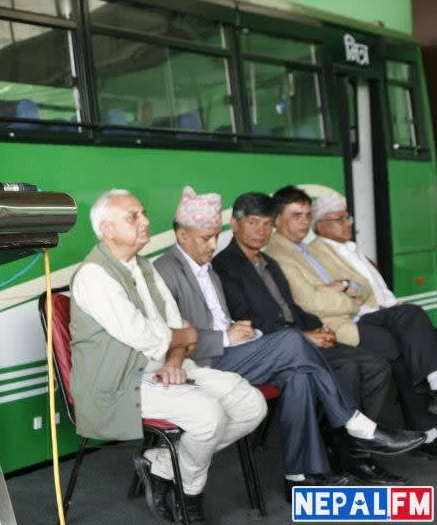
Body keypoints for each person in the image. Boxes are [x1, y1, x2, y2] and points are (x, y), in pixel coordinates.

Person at [155, 187, 421, 497]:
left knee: (299, 375)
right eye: (206, 238)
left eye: (215, 236)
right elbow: (170, 339)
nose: (214, 244)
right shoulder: (167, 270)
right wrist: (228, 335)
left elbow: (232, 320)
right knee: (295, 342)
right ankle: (355, 424)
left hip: (238, 349)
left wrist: (241, 331)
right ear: (181, 235)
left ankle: (299, 475)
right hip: (203, 361)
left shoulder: (207, 268)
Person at [70, 189, 267, 524]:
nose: (145, 221)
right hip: (119, 385)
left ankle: (161, 465)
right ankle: (190, 494)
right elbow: (147, 335)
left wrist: (175, 361)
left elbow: (176, 329)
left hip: (165, 369)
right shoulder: (94, 275)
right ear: (106, 229)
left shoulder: (145, 267)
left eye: (143, 212)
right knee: (208, 415)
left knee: (251, 404)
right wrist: (183, 338)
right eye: (133, 216)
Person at [307, 189, 437, 456]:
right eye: (340, 219)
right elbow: (348, 292)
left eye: (348, 217)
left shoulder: (351, 249)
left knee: (417, 337)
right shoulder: (316, 253)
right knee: (411, 321)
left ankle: (426, 430)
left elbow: (371, 287)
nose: (348, 223)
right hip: (357, 317)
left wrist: (390, 304)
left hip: (383, 313)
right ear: (321, 226)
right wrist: (380, 304)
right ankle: (431, 398)